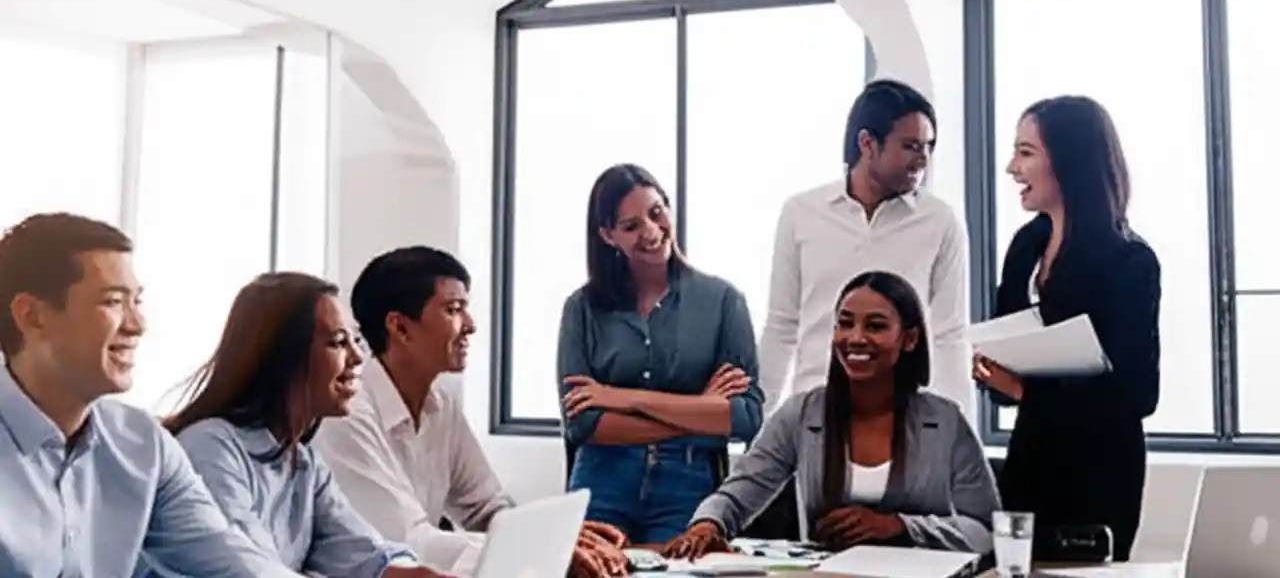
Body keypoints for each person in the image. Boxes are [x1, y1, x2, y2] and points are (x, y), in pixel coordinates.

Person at [0, 213, 303, 577]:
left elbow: (231, 560)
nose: (137, 325)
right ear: (32, 315)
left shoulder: (143, 445)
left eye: (136, 302)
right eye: (112, 302)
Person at [313, 246, 628, 578]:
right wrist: (525, 549)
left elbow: (487, 507)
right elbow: (403, 542)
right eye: (454, 309)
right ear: (400, 328)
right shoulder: (347, 416)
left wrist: (554, 539)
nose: (471, 325)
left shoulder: (443, 403)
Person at [664, 271, 999, 559]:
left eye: (876, 326)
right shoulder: (800, 414)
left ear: (909, 339)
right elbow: (736, 496)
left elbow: (985, 530)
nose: (855, 338)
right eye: (844, 323)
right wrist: (708, 524)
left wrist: (899, 526)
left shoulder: (945, 421)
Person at [146, 272, 444, 578]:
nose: (357, 358)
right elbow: (249, 569)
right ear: (283, 356)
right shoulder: (210, 447)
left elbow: (360, 552)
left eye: (356, 341)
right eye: (338, 342)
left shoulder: (303, 463)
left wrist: (417, 574)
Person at [973, 96, 1160, 562]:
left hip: (1099, 471)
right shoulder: (1025, 246)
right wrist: (996, 375)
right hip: (1030, 460)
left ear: (1070, 160)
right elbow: (1006, 385)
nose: (1011, 168)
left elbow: (1138, 395)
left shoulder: (1129, 261)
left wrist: (1026, 390)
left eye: (1025, 152)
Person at [557, 163, 765, 544]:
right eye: (631, 226)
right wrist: (699, 410)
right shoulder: (582, 308)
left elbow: (745, 416)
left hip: (688, 486)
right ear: (607, 235)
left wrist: (622, 397)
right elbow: (584, 424)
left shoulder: (723, 302)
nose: (651, 232)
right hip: (602, 481)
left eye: (656, 213)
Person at [759, 79, 973, 424]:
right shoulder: (801, 213)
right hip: (816, 415)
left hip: (905, 420)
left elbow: (950, 335)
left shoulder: (940, 221)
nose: (923, 159)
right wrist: (763, 421)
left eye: (929, 147)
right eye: (911, 146)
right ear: (867, 143)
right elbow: (782, 326)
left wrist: (959, 434)